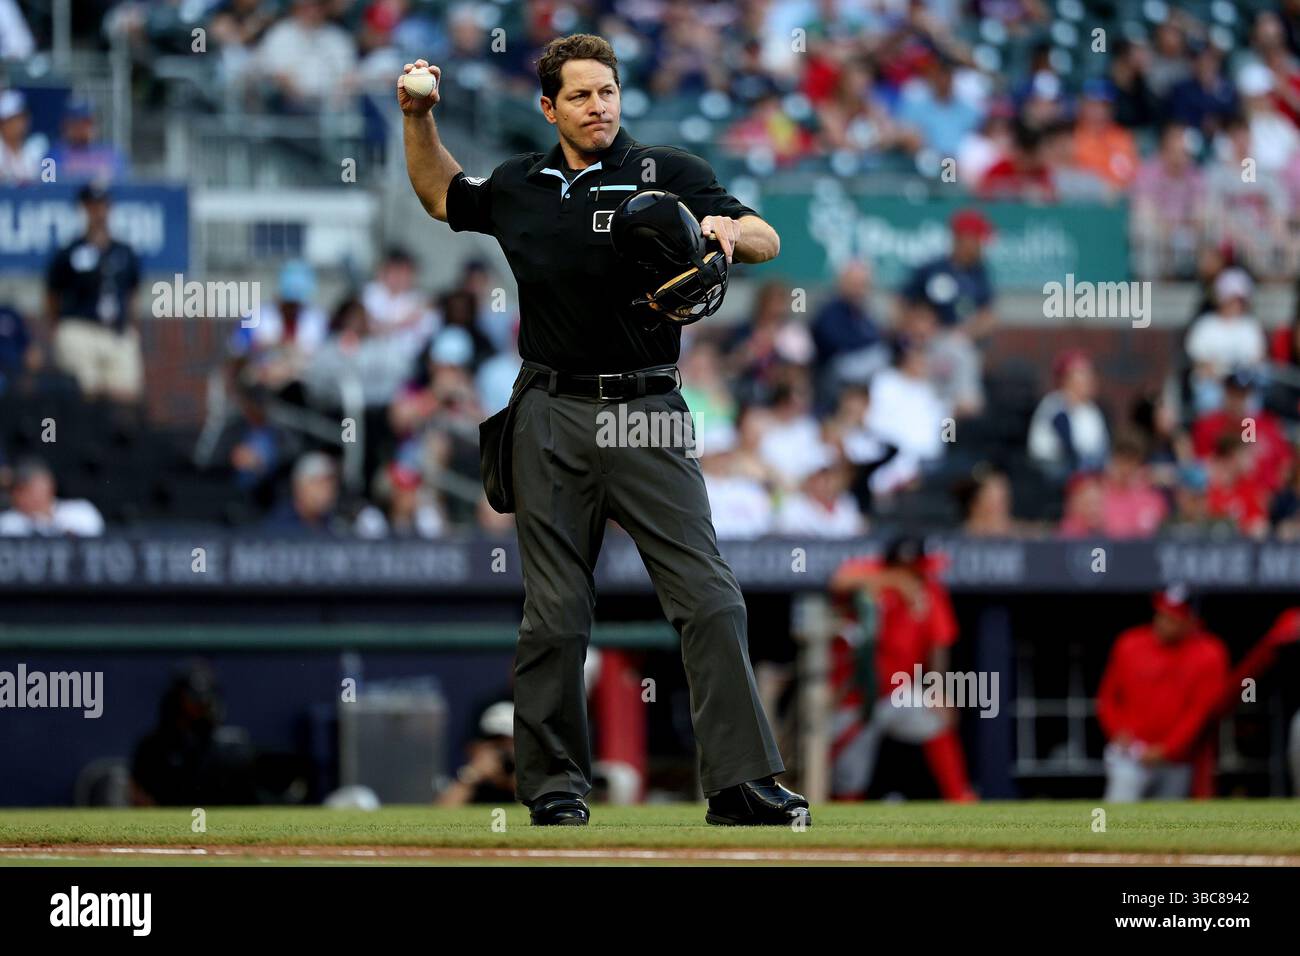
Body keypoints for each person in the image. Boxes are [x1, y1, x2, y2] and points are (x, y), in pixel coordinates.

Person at [399, 34, 805, 826]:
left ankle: (738, 782)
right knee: (554, 615)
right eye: (581, 95)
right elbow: (440, 194)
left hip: (649, 410)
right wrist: (417, 116)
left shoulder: (668, 173)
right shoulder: (522, 184)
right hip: (550, 410)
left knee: (712, 599)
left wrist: (722, 231)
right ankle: (553, 789)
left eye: (608, 91)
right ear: (548, 107)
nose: (599, 106)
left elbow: (766, 236)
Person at [828, 536, 977, 803]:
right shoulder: (872, 574)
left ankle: (960, 797)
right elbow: (839, 581)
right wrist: (893, 581)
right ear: (901, 565)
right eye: (918, 567)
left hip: (897, 694)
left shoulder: (931, 591)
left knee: (936, 718)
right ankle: (840, 829)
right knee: (848, 776)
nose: (925, 573)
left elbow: (939, 645)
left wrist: (936, 690)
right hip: (854, 698)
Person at [1096, 588, 1229, 802]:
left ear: (1191, 622)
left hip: (1176, 759)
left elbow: (1200, 713)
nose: (1163, 623)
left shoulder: (1209, 653)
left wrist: (1167, 749)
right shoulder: (1130, 643)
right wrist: (1116, 731)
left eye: (1173, 618)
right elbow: (1108, 698)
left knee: (1167, 823)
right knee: (1118, 814)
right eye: (1161, 614)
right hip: (1132, 754)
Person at [44, 183, 143, 404]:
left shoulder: (124, 251)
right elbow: (52, 294)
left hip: (116, 330)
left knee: (125, 397)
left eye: (103, 206)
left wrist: (132, 325)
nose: (98, 212)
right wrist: (56, 327)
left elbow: (133, 291)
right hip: (80, 328)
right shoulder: (69, 251)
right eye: (92, 206)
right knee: (85, 394)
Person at [900, 208, 997, 340]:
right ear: (962, 239)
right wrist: (911, 328)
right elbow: (901, 303)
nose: (982, 245)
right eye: (978, 239)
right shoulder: (932, 268)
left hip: (960, 341)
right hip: (925, 340)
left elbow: (988, 316)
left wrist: (964, 334)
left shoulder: (980, 273)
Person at [0, 458, 104, 537]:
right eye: (19, 490)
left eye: (30, 487)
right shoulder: (8, 522)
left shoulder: (81, 511)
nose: (25, 496)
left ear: (50, 485)